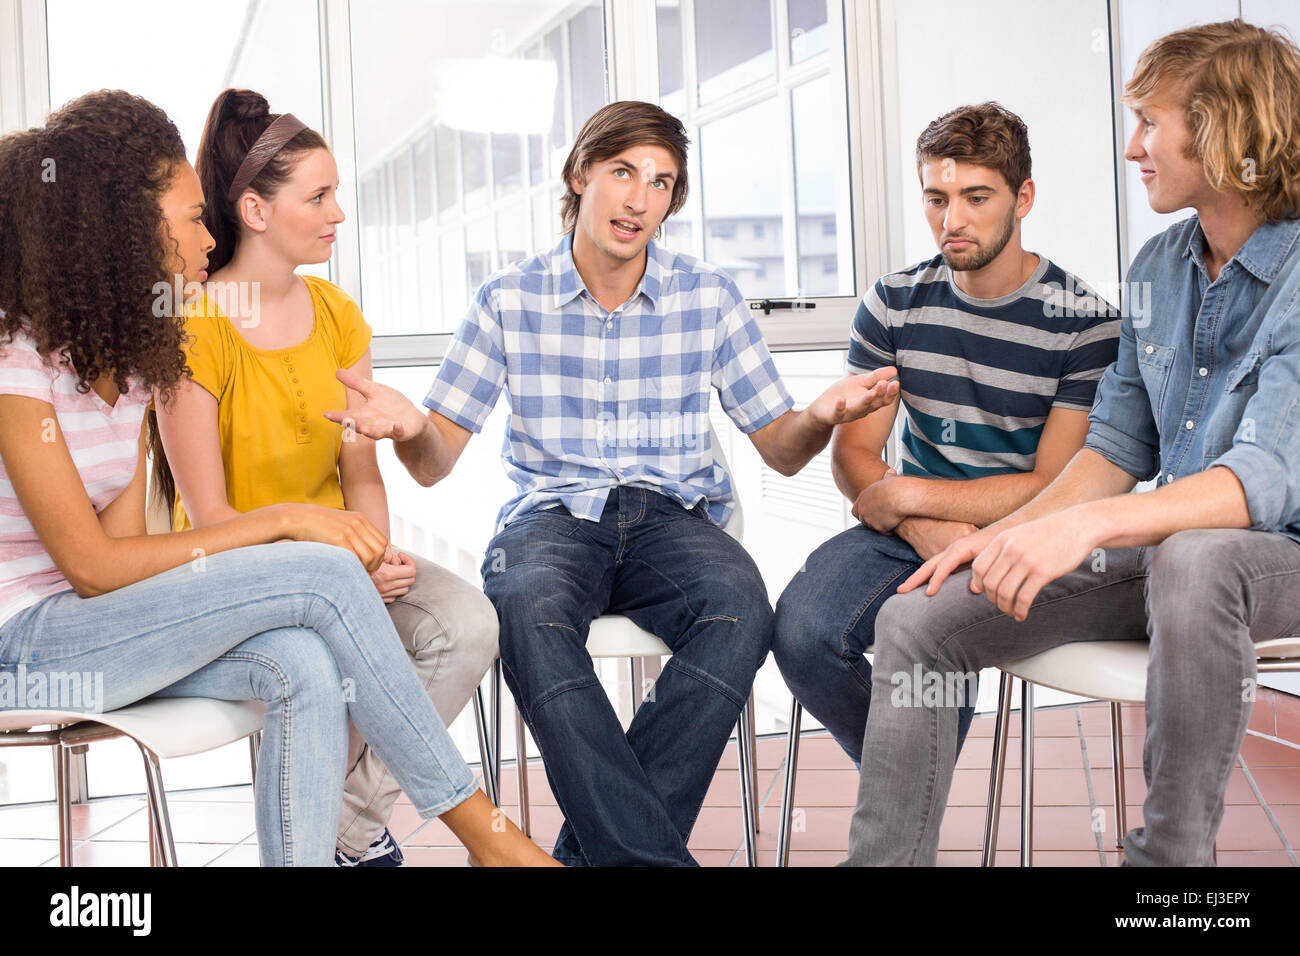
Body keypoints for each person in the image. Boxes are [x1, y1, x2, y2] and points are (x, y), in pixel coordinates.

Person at [329, 100, 900, 865]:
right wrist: (407, 429)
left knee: (740, 612)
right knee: (525, 612)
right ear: (580, 174)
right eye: (624, 172)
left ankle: (590, 857)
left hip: (674, 518)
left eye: (661, 183)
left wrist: (821, 414)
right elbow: (434, 462)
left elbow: (782, 450)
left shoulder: (709, 296)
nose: (640, 199)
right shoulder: (508, 298)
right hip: (552, 517)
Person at [0, 89, 554, 868]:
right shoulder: (17, 364)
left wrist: (288, 552)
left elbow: (123, 569)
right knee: (322, 577)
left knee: (302, 661)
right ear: (124, 229)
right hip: (21, 648)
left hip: (101, 631)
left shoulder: (128, 367)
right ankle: (490, 839)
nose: (206, 233)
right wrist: (288, 525)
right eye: (192, 218)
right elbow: (91, 570)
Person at [845, 19, 1300, 867]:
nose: (1134, 147)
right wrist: (1004, 538)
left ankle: (1169, 879)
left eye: (1151, 123)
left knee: (1199, 556)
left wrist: (1084, 529)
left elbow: (1261, 481)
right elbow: (1115, 448)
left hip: (1275, 561)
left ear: (1225, 127)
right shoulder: (1162, 264)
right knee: (916, 615)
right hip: (1168, 554)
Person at [154, 88, 498, 867]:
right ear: (255, 210)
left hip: (342, 560)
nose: (339, 212)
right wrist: (338, 566)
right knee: (316, 660)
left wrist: (372, 551)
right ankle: (340, 834)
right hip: (236, 574)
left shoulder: (339, 316)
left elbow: (360, 470)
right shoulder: (193, 328)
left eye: (336, 192)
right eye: (319, 196)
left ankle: (342, 822)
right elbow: (208, 513)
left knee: (468, 624)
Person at [772, 102, 1118, 769]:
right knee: (801, 632)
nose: (951, 221)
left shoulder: (1085, 326)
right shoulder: (893, 304)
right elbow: (854, 456)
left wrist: (908, 501)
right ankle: (905, 789)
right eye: (936, 198)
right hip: (908, 535)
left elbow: (1056, 487)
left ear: (1024, 198)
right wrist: (916, 526)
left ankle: (898, 817)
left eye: (975, 197)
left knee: (925, 633)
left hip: (1024, 537)